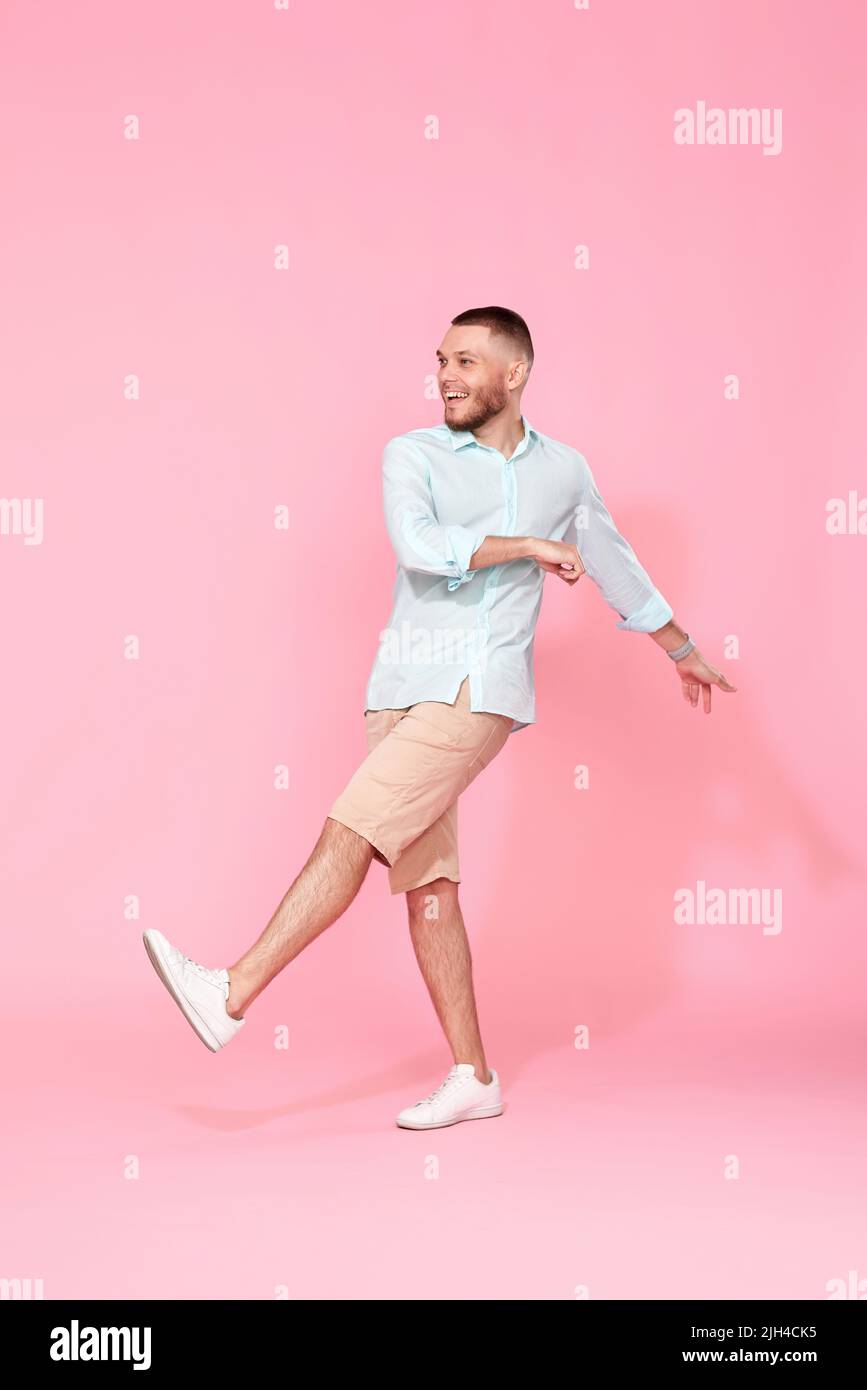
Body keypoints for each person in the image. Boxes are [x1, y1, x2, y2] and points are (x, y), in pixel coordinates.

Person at [143, 305, 736, 1130]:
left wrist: (680, 648)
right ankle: (474, 1077)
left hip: (476, 691)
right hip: (398, 687)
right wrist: (526, 545)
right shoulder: (411, 453)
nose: (446, 376)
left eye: (464, 361)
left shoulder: (563, 471)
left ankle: (231, 992)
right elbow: (419, 544)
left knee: (351, 828)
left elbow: (612, 560)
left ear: (514, 372)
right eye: (440, 361)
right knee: (430, 890)